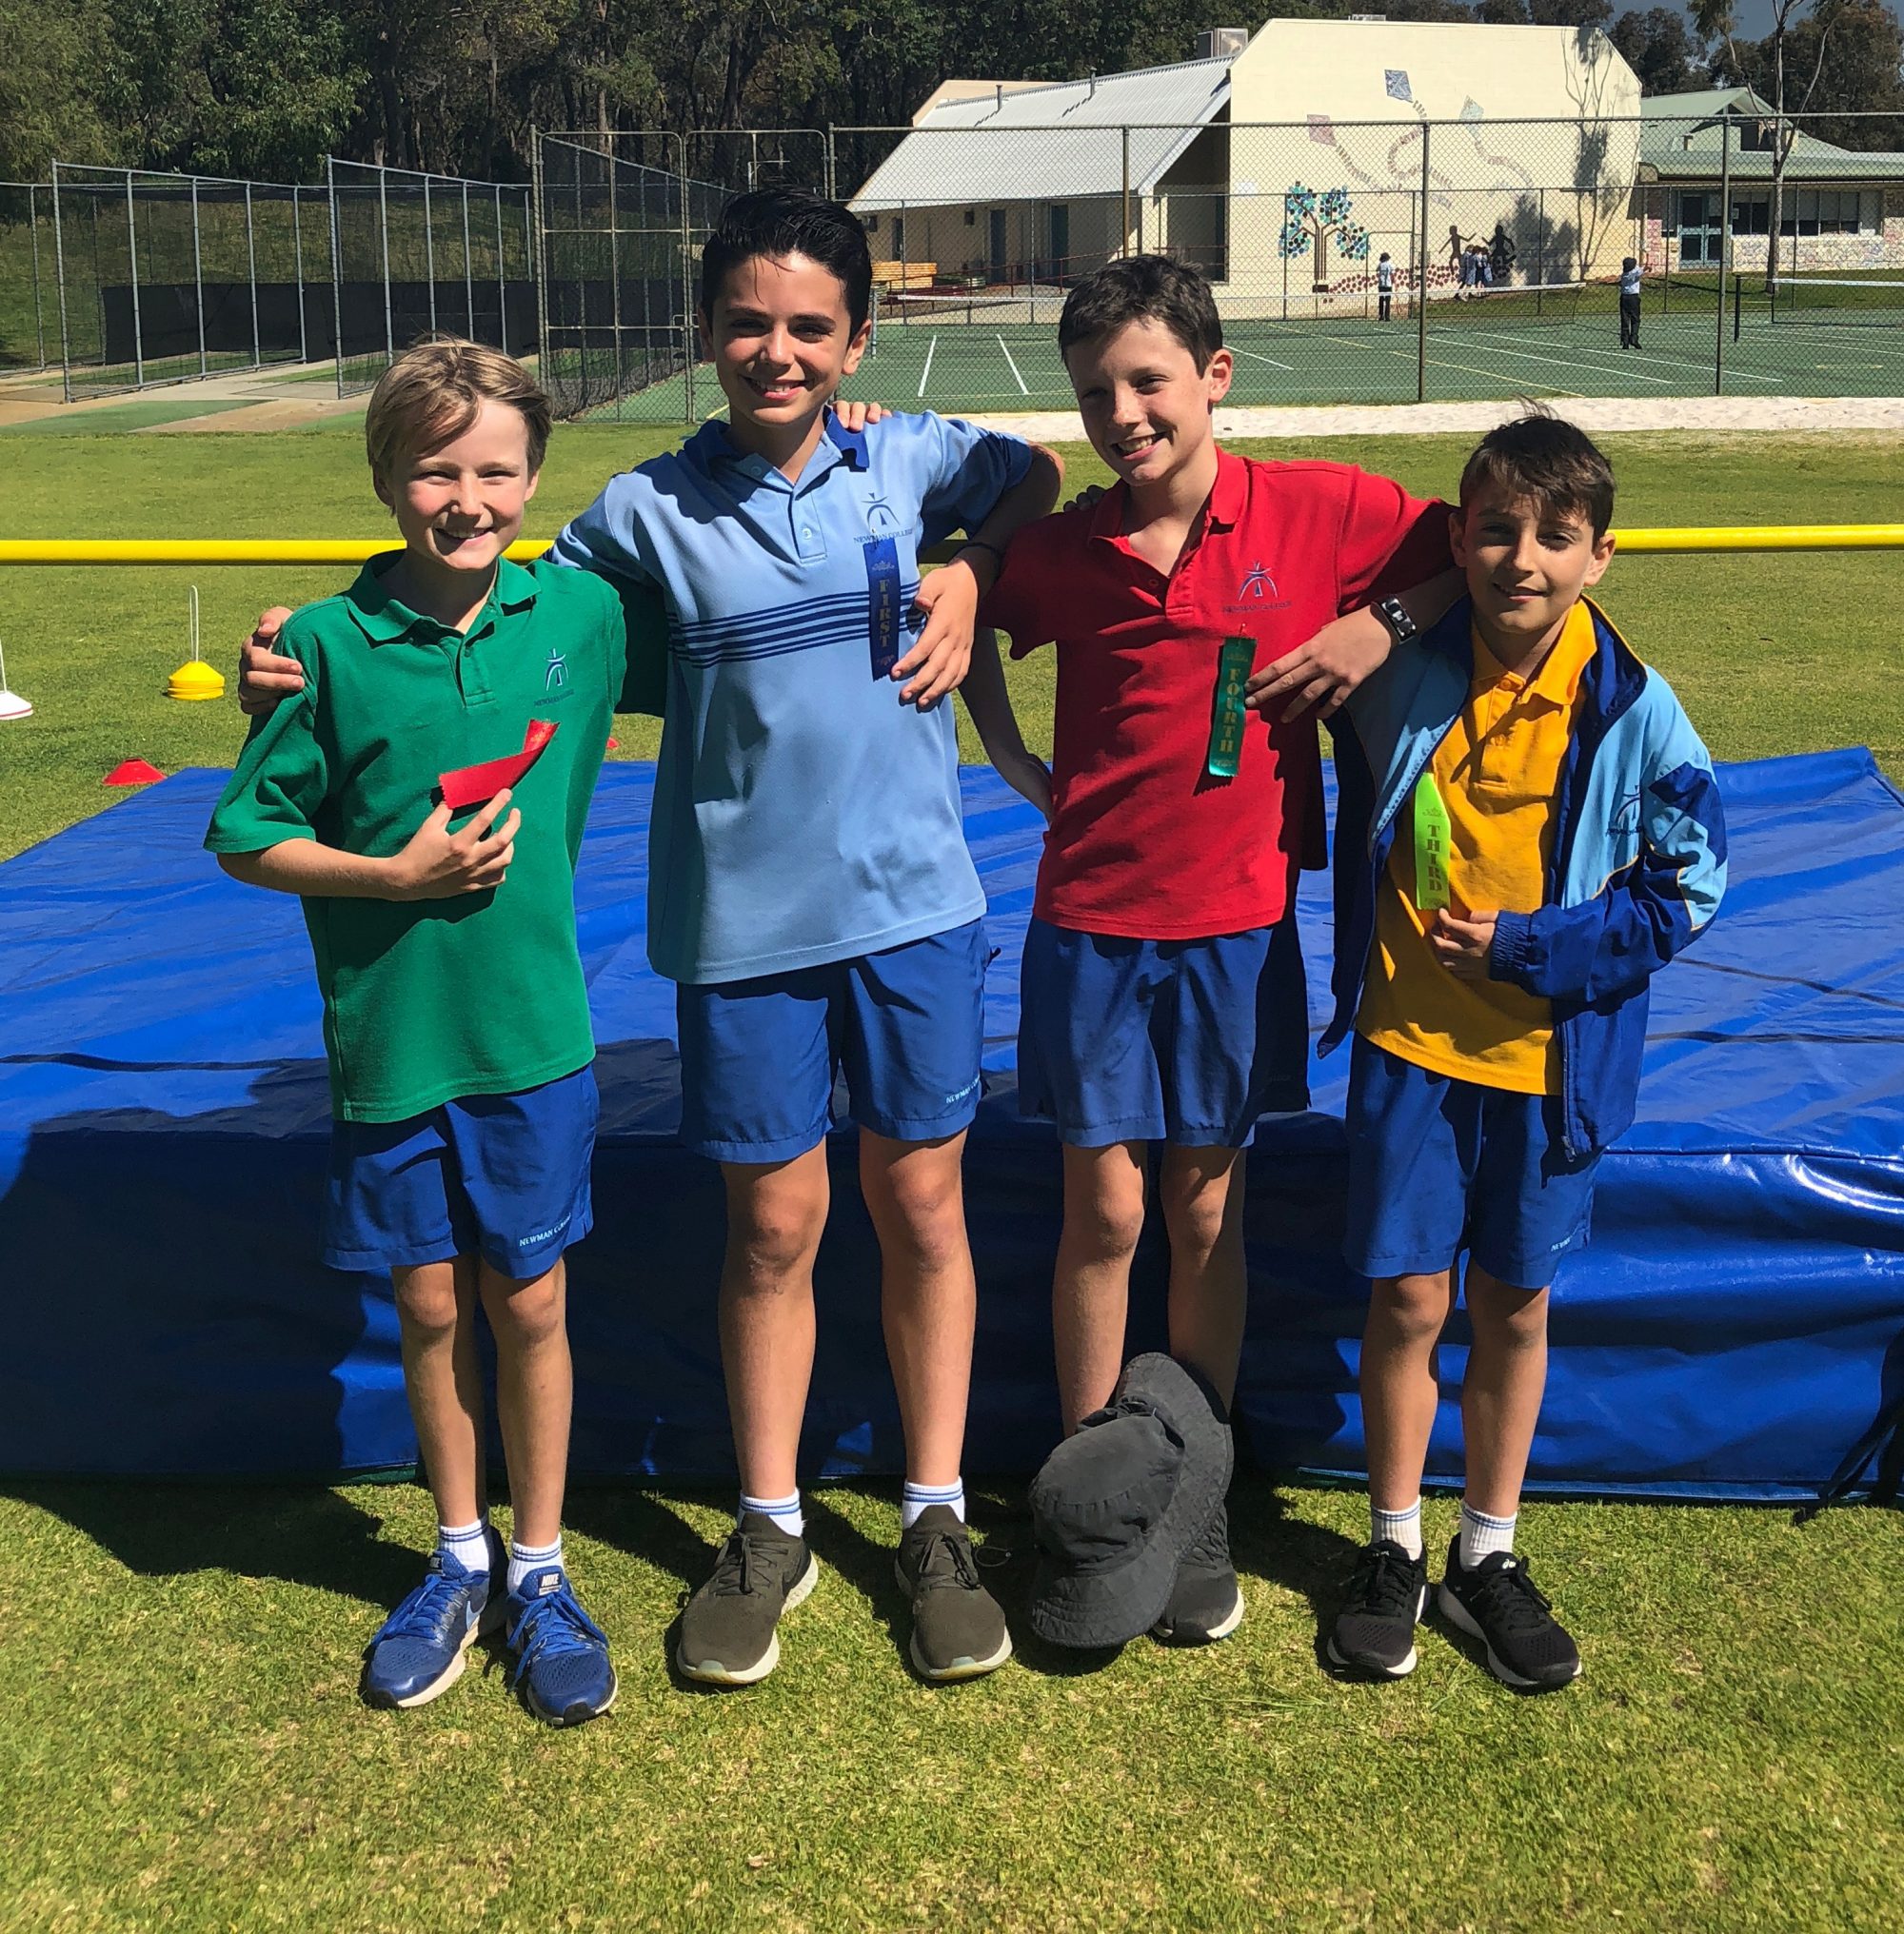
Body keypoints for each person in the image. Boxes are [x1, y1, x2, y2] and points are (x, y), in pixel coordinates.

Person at [237, 195, 1059, 1692]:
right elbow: (485, 605)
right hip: (741, 928)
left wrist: (971, 573)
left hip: (917, 912)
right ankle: (767, 1523)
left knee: (924, 1204)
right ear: (706, 339)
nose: (779, 351)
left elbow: (1038, 471)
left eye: (812, 326)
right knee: (773, 1229)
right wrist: (310, 648)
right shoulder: (635, 516)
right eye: (749, 322)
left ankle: (934, 1517)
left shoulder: (915, 457)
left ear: (859, 339)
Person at [962, 254, 1460, 1645]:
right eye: (1094, 395)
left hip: (1238, 929)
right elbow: (964, 608)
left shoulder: (1314, 509)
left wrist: (1377, 622)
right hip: (1091, 923)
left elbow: (1458, 541)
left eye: (1146, 383)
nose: (1122, 416)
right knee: (1104, 1216)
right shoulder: (1064, 549)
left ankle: (1192, 1487)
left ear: (1214, 378)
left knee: (1202, 1213)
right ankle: (1085, 1488)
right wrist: (1006, 752)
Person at [206, 341, 649, 1727]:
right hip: (393, 1043)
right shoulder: (325, 648)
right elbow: (244, 833)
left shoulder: (583, 617)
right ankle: (457, 1554)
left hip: (534, 1036)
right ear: (390, 476)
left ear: (535, 478)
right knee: (429, 1302)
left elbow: (751, 614)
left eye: (497, 469)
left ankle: (540, 1568)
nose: (468, 497)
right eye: (437, 469)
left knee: (530, 1301)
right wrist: (392, 879)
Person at [1322, 412, 1726, 1690]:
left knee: (1511, 1307)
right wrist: (1393, 618)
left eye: (1558, 537)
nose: (1523, 561)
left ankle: (1483, 1554)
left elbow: (1693, 885)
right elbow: (1282, 618)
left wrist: (1538, 950)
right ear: (1458, 538)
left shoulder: (1636, 711)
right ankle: (1390, 1543)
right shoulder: (1400, 669)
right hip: (1406, 1049)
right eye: (1495, 531)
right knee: (1406, 1303)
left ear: (1602, 554)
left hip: (1551, 1073)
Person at [1619, 256, 1642, 349]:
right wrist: (1648, 266)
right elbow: (1642, 270)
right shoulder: (1633, 274)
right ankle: (1634, 338)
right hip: (1633, 298)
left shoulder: (1624, 274)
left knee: (1625, 319)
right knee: (1635, 319)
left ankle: (1625, 341)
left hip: (1624, 298)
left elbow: (1639, 269)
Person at [1377, 251, 1395, 322]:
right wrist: (1393, 282)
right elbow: (1392, 274)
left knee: (1381, 300)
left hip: (1381, 285)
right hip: (1388, 285)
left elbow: (1377, 270)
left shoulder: (1380, 264)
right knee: (1387, 301)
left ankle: (1381, 316)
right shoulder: (1389, 264)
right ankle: (1387, 316)